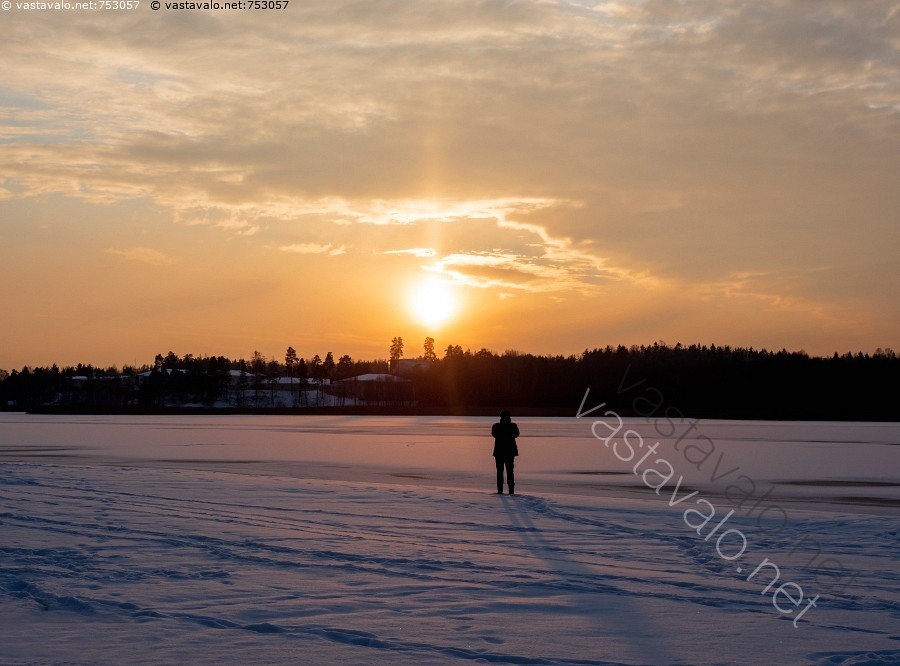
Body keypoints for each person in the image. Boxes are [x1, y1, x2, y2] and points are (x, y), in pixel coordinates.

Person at [491, 410, 519, 494]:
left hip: (504, 452)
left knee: (505, 472)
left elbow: (516, 434)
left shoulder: (499, 426)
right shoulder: (497, 426)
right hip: (503, 452)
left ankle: (508, 491)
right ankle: (505, 491)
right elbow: (494, 434)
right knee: (505, 472)